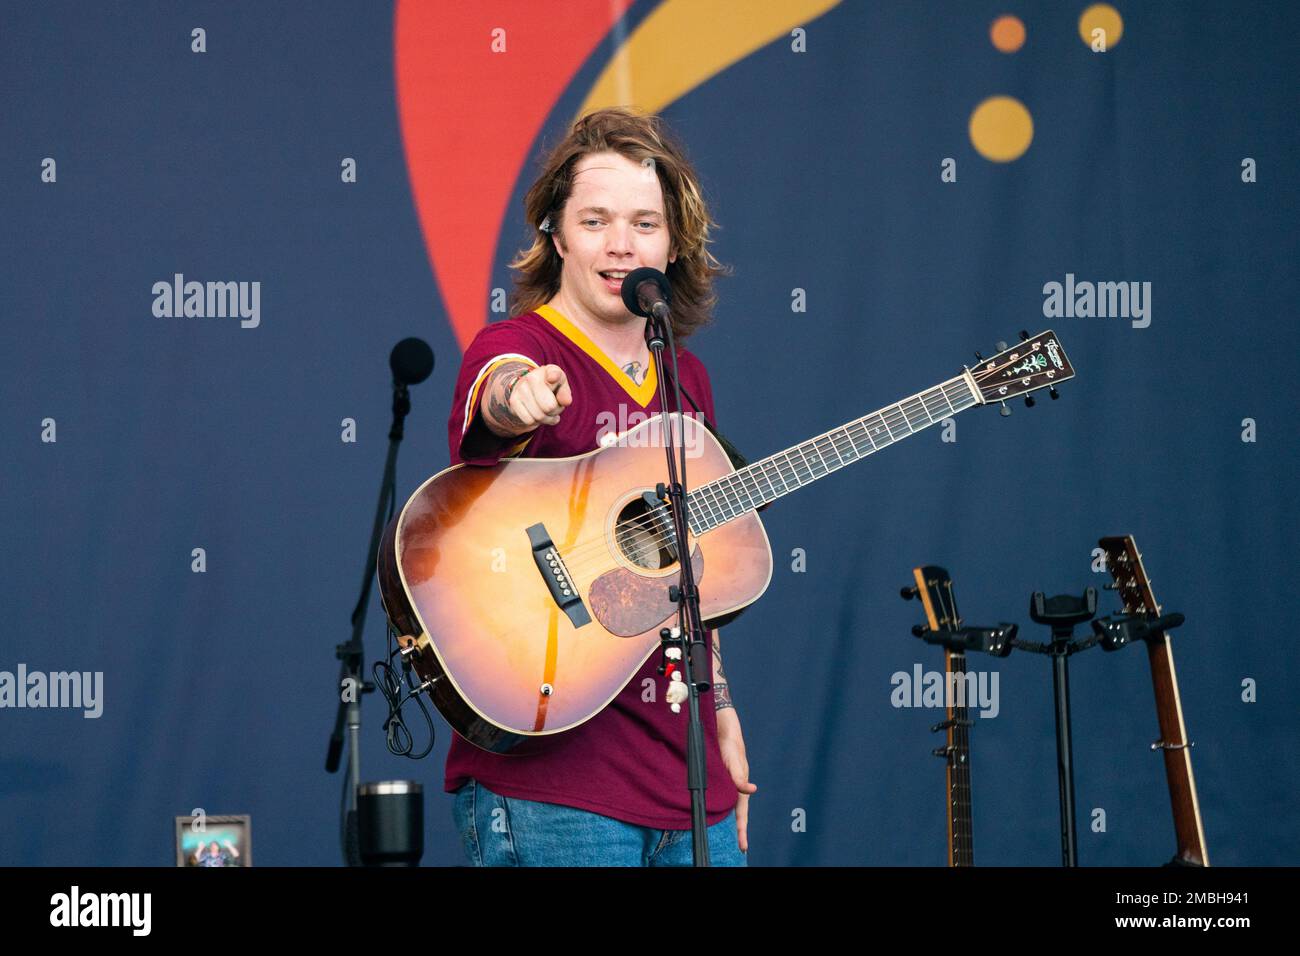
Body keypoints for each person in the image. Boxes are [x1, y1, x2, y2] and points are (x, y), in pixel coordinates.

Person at [443, 107, 756, 866]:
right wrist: (519, 398)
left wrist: (721, 711)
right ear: (556, 234)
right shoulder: (516, 345)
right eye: (596, 220)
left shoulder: (689, 381)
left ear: (673, 243)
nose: (622, 244)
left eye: (645, 223)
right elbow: (495, 398)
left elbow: (689, 574)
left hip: (687, 782)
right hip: (553, 786)